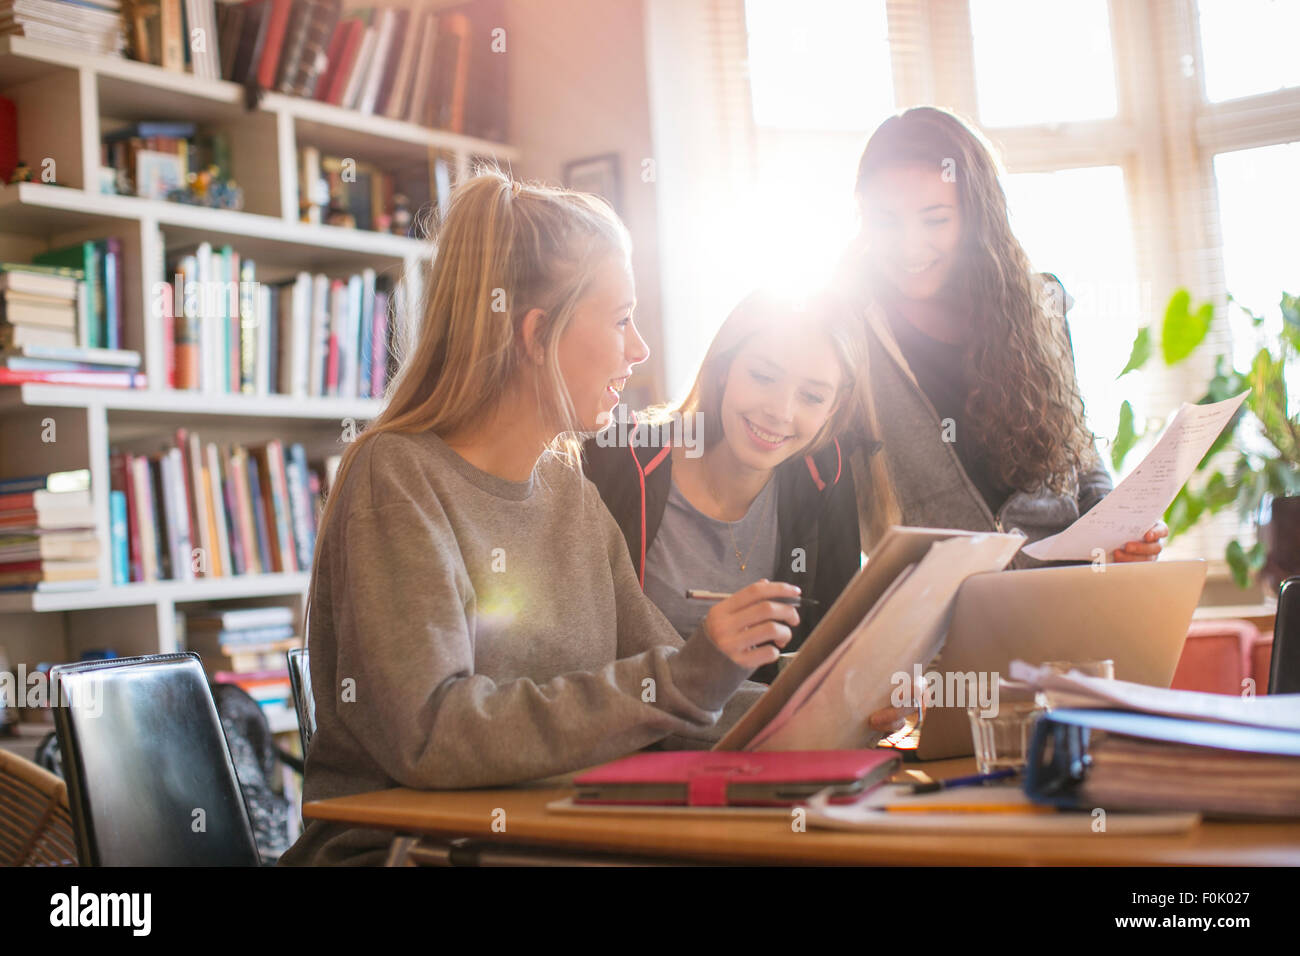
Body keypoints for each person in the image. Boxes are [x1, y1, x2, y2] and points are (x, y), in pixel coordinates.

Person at [278, 171, 801, 867]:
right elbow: (431, 734)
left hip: (550, 834)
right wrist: (681, 683)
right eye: (621, 320)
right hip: (403, 850)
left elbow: (675, 700)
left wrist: (830, 710)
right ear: (536, 333)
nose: (639, 349)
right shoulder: (397, 477)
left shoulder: (567, 489)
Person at [839, 106, 1167, 565]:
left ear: (976, 219)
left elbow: (1078, 454)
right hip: (939, 611)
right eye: (886, 220)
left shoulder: (1040, 305)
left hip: (1063, 592)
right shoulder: (847, 326)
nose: (909, 244)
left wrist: (1119, 526)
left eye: (935, 220)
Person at [583, 289, 897, 682]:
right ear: (724, 368)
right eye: (763, 376)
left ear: (834, 406)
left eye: (812, 396)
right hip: (637, 733)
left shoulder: (826, 472)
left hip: (765, 736)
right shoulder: (617, 458)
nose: (780, 412)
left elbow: (835, 652)